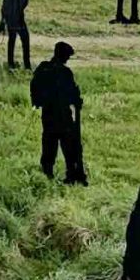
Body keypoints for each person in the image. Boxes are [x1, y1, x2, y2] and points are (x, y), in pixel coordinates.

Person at [31, 41, 87, 184]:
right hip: (62, 116)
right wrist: (77, 101)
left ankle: (48, 173)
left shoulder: (43, 69)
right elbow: (72, 94)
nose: (67, 59)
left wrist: (37, 102)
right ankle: (72, 174)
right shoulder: (64, 72)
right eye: (67, 56)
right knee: (69, 147)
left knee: (49, 144)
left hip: (48, 115)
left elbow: (34, 87)